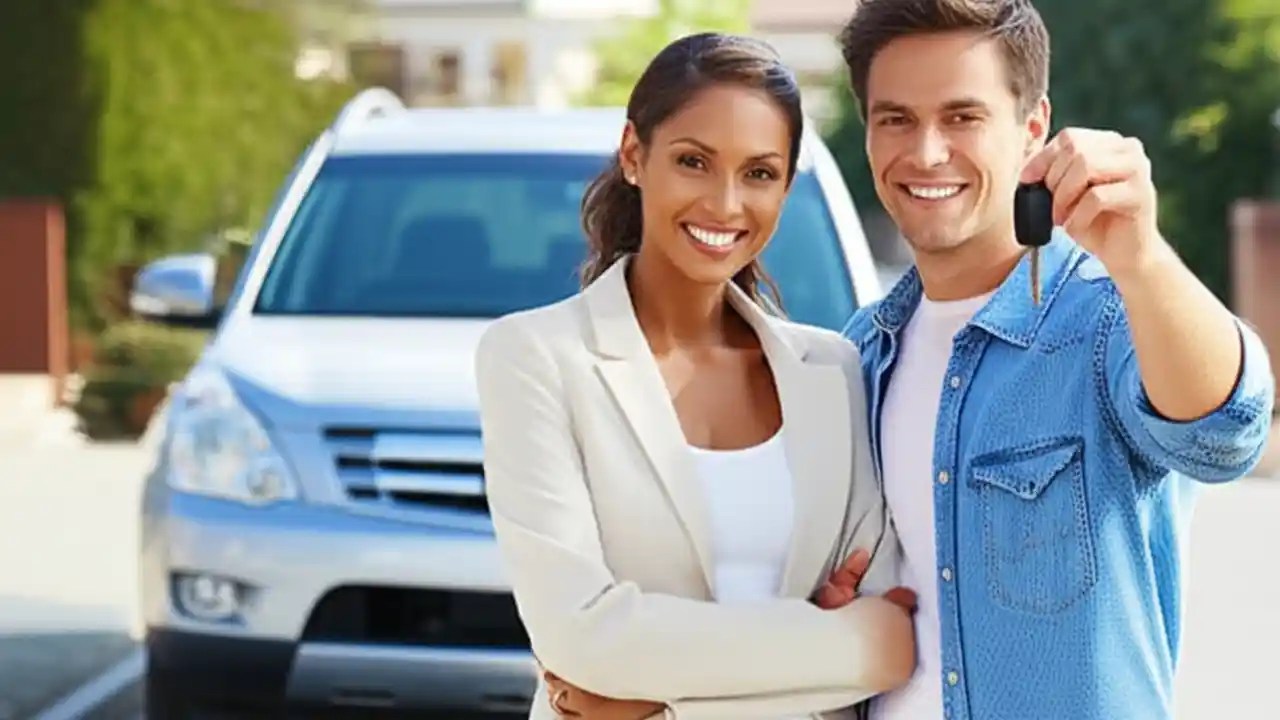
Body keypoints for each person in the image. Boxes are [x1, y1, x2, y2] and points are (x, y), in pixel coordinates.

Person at [833, 1, 1277, 719]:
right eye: (896, 119)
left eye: (962, 116)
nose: (927, 152)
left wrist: (1142, 257)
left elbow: (1227, 431)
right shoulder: (859, 351)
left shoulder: (1109, 317)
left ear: (1033, 126)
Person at [475, 32, 918, 720]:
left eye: (760, 173)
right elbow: (578, 634)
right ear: (633, 155)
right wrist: (829, 641)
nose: (725, 203)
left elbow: (891, 641)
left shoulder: (832, 372)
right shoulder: (535, 358)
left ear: (786, 187)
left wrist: (654, 705)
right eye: (693, 162)